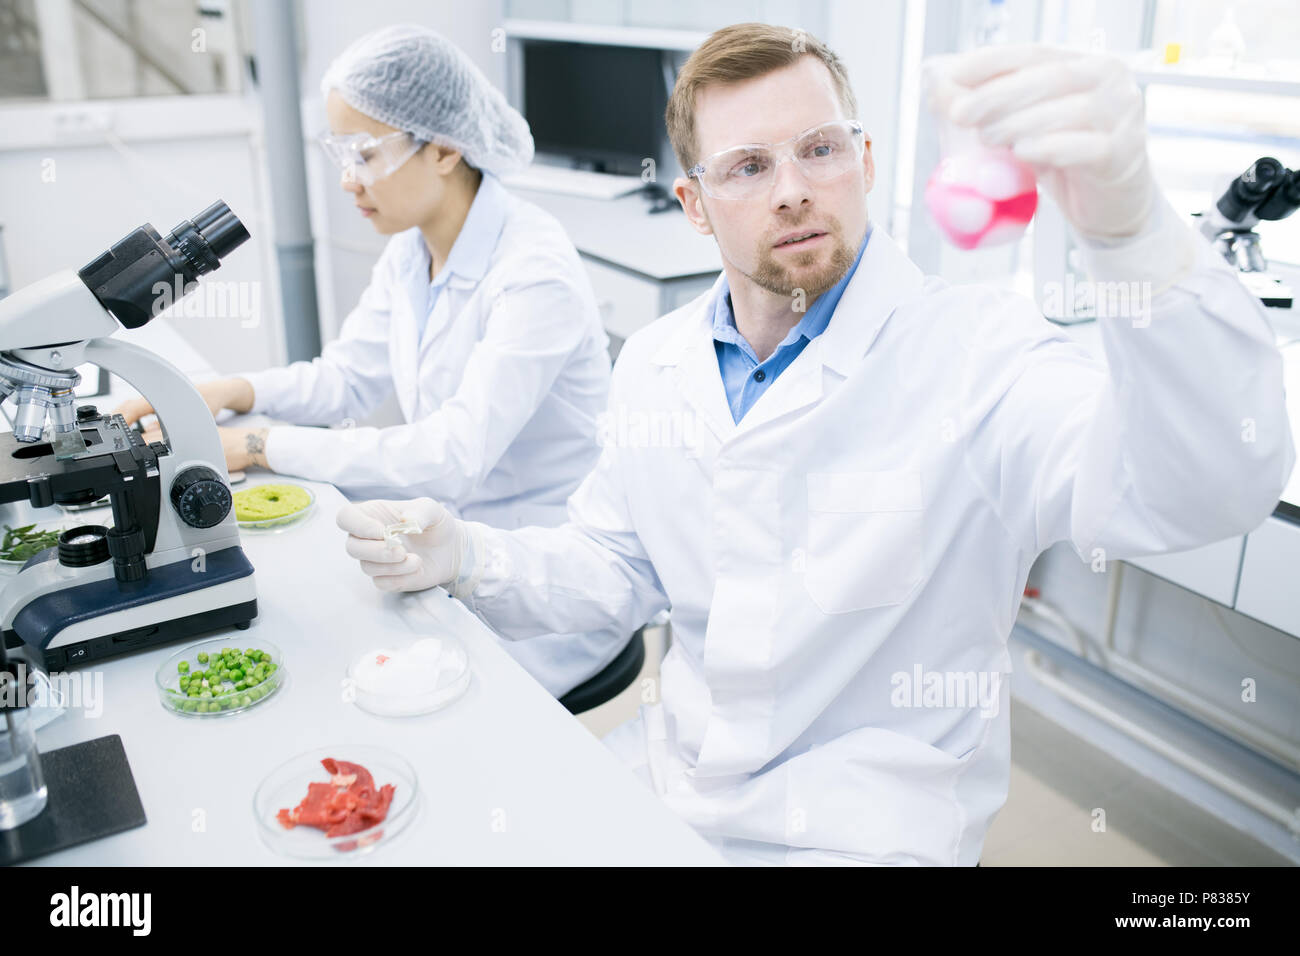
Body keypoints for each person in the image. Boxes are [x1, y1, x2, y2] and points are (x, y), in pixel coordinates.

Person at [336, 25, 1295, 864]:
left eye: (821, 149)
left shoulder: (979, 355)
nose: (795, 190)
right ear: (695, 204)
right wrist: (467, 554)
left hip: (875, 826)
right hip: (679, 780)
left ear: (865, 162)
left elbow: (1203, 488)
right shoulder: (660, 364)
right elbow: (615, 565)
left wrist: (1133, 235)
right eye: (749, 167)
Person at [117, 25, 623, 698]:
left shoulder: (535, 272)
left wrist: (258, 445)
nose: (349, 180)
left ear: (443, 147)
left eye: (365, 153)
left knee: (372, 689)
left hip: (540, 582)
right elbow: (345, 380)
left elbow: (452, 454)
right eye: (340, 154)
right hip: (445, 539)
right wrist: (226, 390)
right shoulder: (413, 252)